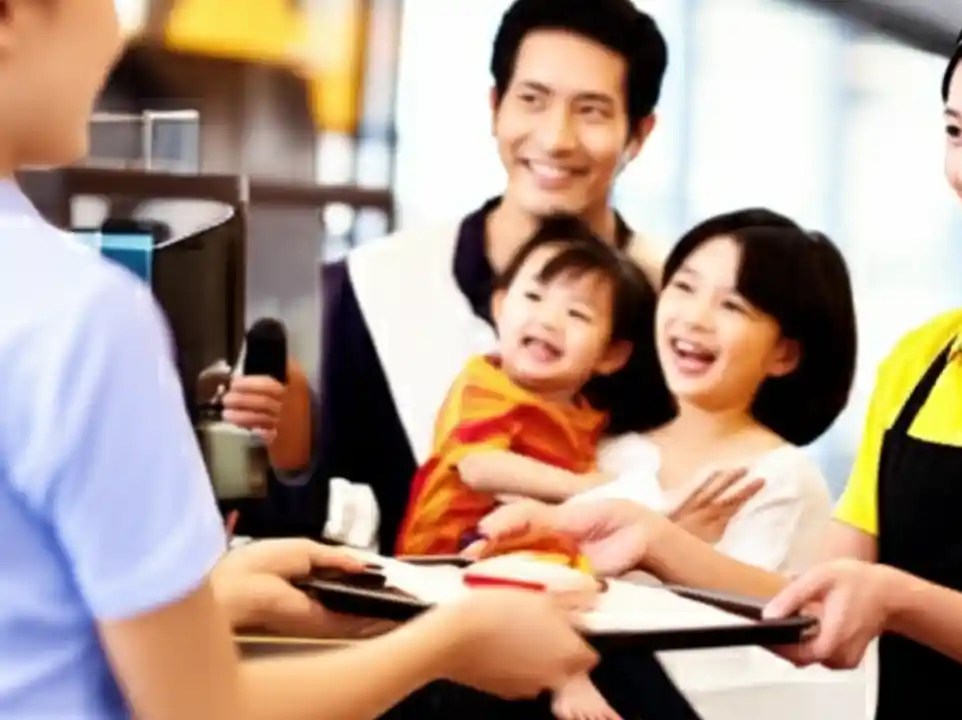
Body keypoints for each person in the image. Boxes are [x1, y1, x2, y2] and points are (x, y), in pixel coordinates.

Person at [474, 2, 962, 718]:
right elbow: (811, 612)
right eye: (955, 130)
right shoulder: (924, 359)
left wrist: (896, 599)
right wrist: (656, 541)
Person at [0, 1, 597, 717]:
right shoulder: (82, 314)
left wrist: (220, 592)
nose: (116, 28)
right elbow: (204, 710)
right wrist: (449, 641)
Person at [220, 0, 671, 551]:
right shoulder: (368, 289)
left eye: (593, 111)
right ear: (494, 107)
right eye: (531, 100)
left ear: (640, 134)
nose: (556, 138)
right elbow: (301, 509)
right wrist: (280, 438)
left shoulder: (673, 309)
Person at [483, 208, 856, 576]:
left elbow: (749, 628)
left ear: (783, 354)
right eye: (684, 286)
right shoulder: (604, 444)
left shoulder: (779, 479)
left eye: (732, 305)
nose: (694, 318)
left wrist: (666, 548)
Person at [395, 215, 663, 557]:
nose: (548, 320)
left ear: (610, 355)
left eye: (577, 314)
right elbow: (479, 466)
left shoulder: (587, 417)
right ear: (500, 307)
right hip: (444, 558)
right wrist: (587, 489)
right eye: (534, 296)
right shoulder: (484, 383)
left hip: (529, 557)